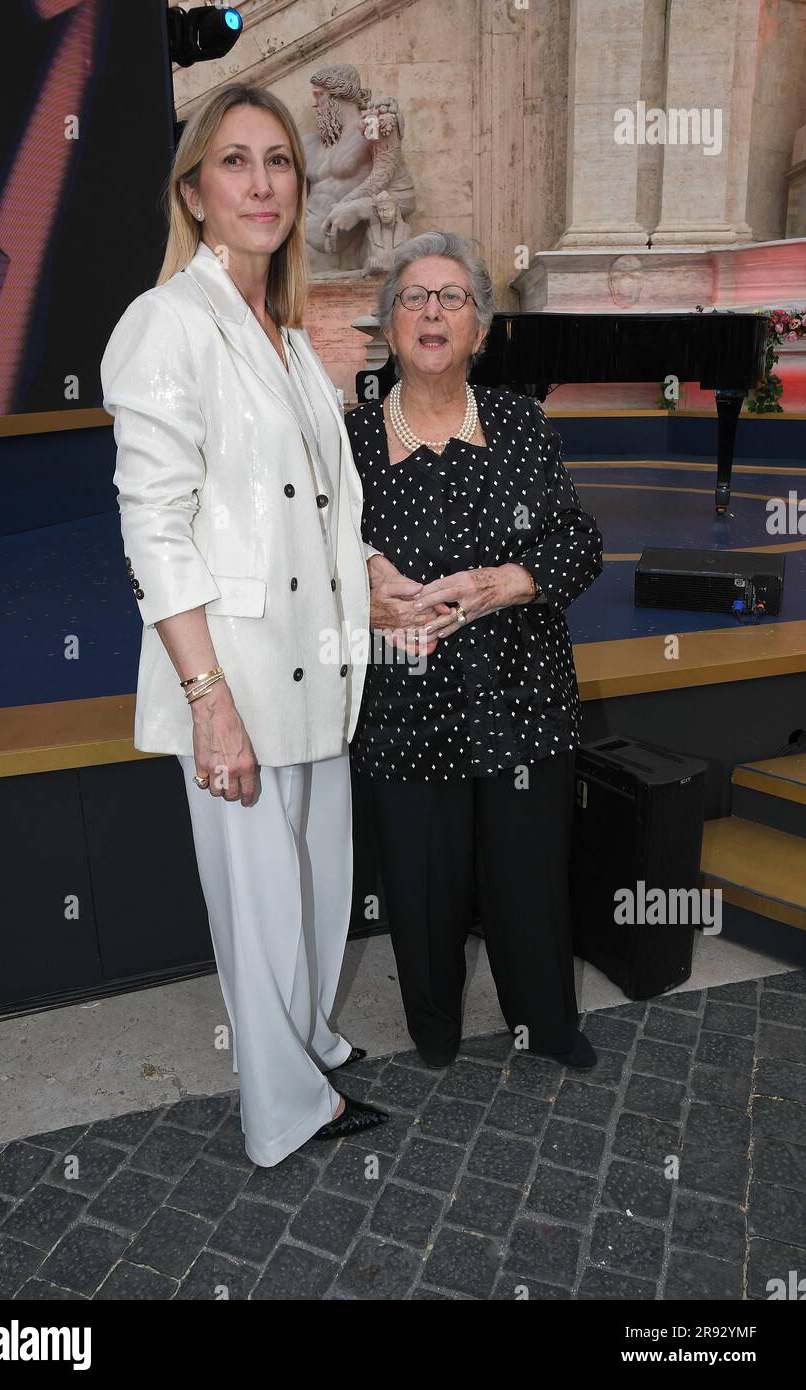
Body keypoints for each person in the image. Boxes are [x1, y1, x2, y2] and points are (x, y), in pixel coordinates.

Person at [100, 83, 398, 1166]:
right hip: (231, 669)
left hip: (314, 662)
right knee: (260, 898)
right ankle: (280, 1107)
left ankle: (308, 1036)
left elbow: (318, 507)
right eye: (235, 162)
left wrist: (373, 579)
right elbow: (153, 526)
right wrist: (204, 697)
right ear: (195, 189)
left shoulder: (282, 334)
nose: (263, 182)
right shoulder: (164, 324)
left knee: (316, 878)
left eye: (278, 160)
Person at [348, 231, 604, 1069]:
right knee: (421, 894)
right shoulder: (345, 443)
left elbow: (577, 544)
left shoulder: (522, 423)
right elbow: (302, 557)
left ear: (480, 329)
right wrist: (360, 573)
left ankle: (547, 1024)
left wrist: (506, 581)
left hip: (522, 702)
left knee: (530, 881)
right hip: (404, 707)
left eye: (452, 297)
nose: (431, 311)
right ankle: (435, 1033)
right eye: (413, 297)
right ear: (389, 327)